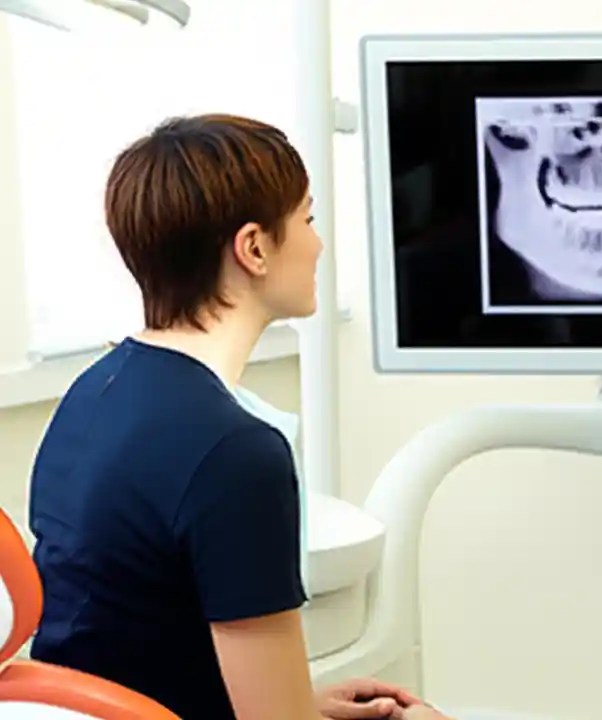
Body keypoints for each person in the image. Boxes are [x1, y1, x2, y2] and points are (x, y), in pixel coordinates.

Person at [26, 114, 451, 720]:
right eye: (307, 219)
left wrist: (305, 703)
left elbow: (124, 647)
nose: (318, 244)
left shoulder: (94, 393)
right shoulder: (236, 453)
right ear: (254, 248)